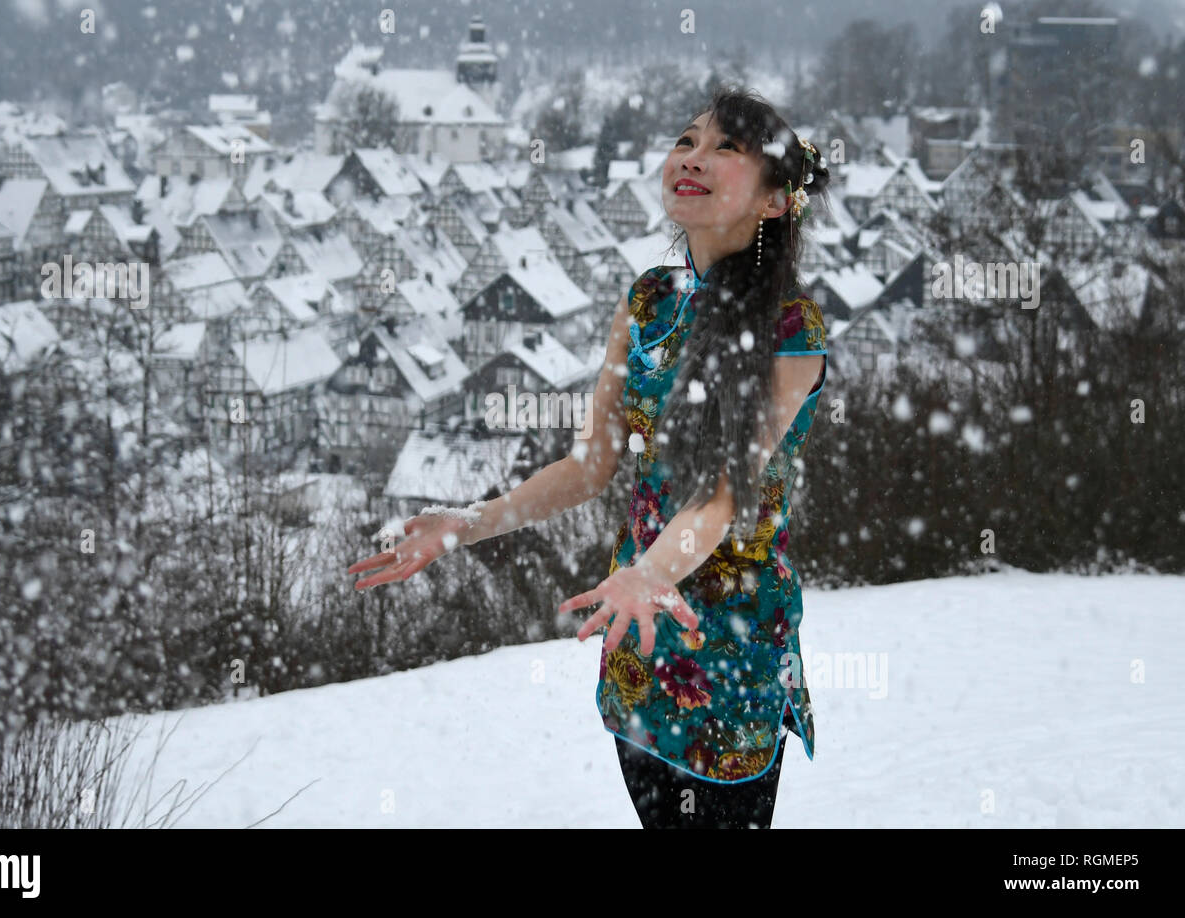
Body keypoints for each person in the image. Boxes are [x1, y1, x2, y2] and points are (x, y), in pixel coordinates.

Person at [348, 84, 832, 829]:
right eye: (686, 140)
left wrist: (649, 571)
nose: (692, 158)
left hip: (731, 652)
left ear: (773, 200)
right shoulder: (649, 303)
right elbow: (590, 466)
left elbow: (721, 496)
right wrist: (468, 524)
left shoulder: (792, 328)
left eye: (725, 148)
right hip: (638, 637)